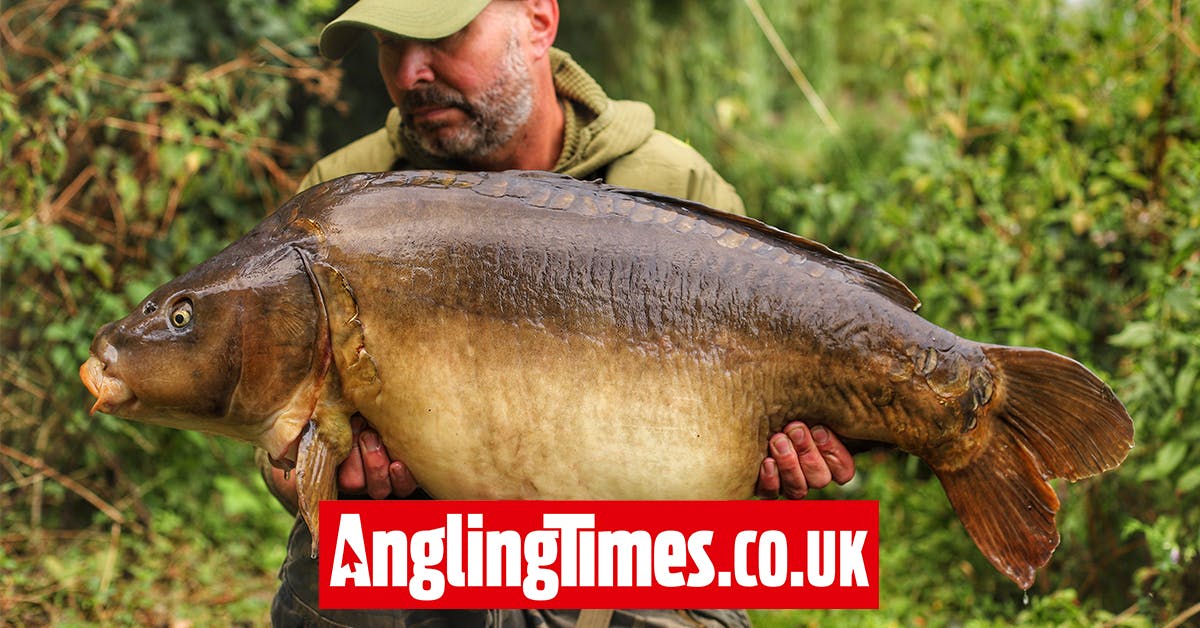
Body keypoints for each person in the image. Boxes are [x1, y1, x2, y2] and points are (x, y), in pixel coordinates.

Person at [262, 1, 857, 625]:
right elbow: (277, 428)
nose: (411, 72)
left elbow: (747, 491)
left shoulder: (672, 183)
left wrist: (774, 467)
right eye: (389, 43)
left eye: (443, 35)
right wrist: (311, 471)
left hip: (630, 553)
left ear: (539, 21)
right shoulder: (344, 198)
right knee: (339, 569)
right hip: (428, 542)